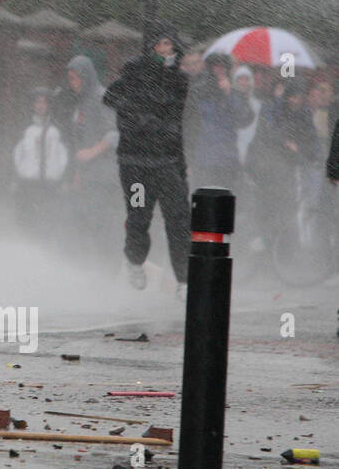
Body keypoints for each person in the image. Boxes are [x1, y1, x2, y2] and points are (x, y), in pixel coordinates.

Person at [103, 26, 191, 298]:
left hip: (166, 160)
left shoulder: (180, 80)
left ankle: (184, 280)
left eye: (171, 44)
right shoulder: (135, 71)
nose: (167, 50)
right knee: (140, 217)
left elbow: (176, 122)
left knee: (178, 219)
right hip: (135, 162)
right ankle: (134, 260)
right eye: (162, 44)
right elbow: (111, 98)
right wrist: (141, 118)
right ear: (152, 46)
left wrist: (180, 164)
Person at [247, 79, 320, 259]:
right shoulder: (273, 108)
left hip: (289, 169)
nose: (295, 101)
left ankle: (282, 250)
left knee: (288, 207)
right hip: (268, 168)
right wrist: (286, 143)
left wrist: (309, 154)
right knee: (270, 205)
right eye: (291, 97)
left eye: (297, 97)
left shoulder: (303, 113)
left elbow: (311, 138)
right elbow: (269, 131)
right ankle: (265, 245)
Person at [59, 55, 118, 267]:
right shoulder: (81, 103)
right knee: (82, 220)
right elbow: (80, 140)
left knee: (101, 221)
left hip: (103, 174)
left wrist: (92, 152)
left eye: (75, 78)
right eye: (70, 78)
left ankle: (107, 266)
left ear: (86, 77)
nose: (72, 82)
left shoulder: (102, 97)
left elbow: (114, 134)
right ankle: (85, 265)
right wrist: (78, 173)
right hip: (87, 175)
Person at [191, 53, 255, 190]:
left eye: (223, 68)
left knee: (225, 198)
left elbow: (244, 119)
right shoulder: (198, 92)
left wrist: (229, 94)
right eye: (216, 68)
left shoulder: (236, 94)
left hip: (227, 157)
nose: (219, 72)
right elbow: (192, 122)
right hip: (204, 157)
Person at [12, 87, 68, 233]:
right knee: (27, 223)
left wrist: (62, 178)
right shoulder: (24, 128)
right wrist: (17, 177)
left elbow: (64, 156)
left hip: (51, 185)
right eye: (37, 102)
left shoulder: (58, 129)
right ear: (32, 105)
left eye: (44, 102)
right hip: (28, 184)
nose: (41, 105)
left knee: (49, 223)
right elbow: (16, 155)